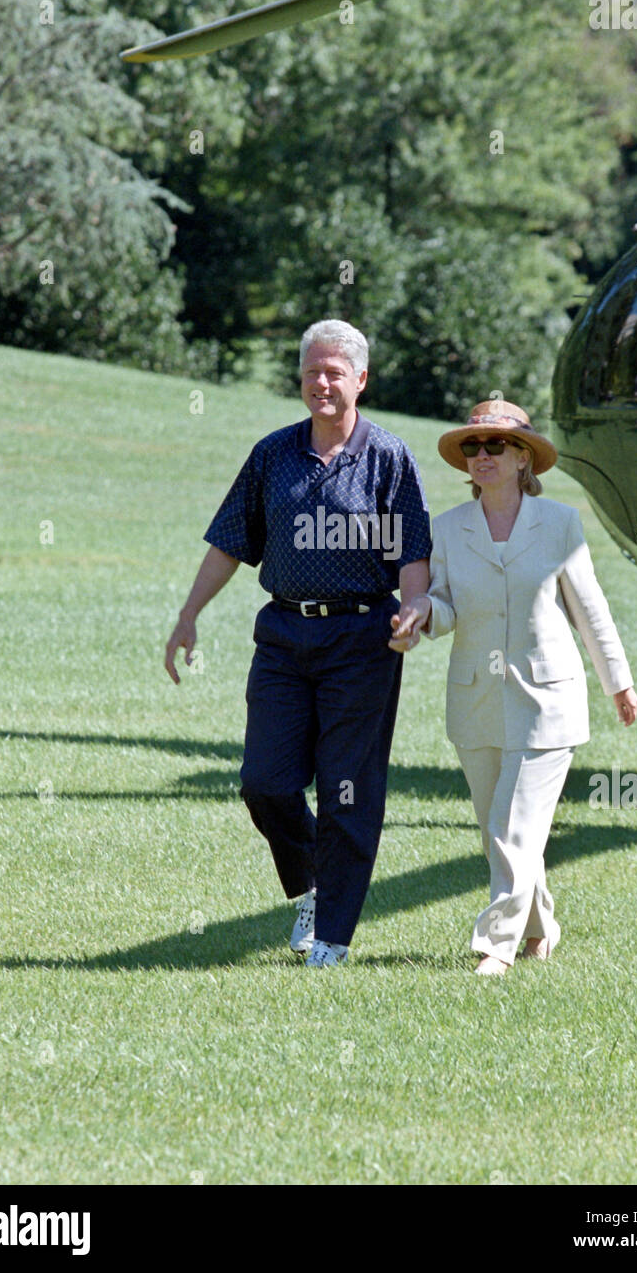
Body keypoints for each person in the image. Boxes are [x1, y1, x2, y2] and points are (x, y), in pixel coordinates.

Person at [165, 320, 431, 966]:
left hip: (361, 639)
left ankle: (332, 937)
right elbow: (231, 540)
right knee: (266, 783)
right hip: (283, 635)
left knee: (346, 790)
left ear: (360, 380)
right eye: (312, 370)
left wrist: (416, 605)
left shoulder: (388, 457)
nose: (320, 382)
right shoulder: (272, 454)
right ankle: (314, 884)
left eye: (334, 372)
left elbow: (412, 552)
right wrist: (188, 615)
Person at [390, 400, 637, 976]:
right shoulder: (449, 527)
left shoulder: (560, 523)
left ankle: (494, 945)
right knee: (500, 828)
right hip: (475, 699)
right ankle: (540, 930)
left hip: (548, 701)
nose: (482, 455)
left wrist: (617, 682)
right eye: (473, 447)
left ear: (523, 456)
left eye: (495, 446)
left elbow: (590, 611)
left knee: (512, 824)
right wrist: (421, 611)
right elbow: (446, 605)